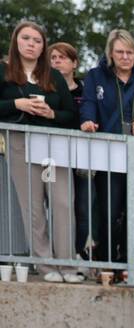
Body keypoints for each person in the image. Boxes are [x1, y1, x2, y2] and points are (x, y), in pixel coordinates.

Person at [78, 29, 134, 272]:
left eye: (130, 52)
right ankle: (107, 263)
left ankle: (127, 263)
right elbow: (88, 104)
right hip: (109, 157)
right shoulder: (96, 76)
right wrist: (87, 121)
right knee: (110, 210)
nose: (125, 57)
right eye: (120, 52)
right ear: (111, 54)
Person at [0, 20, 81, 282]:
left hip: (52, 146)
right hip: (20, 143)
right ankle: (46, 266)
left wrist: (52, 112)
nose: (31, 44)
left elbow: (71, 115)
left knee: (62, 203)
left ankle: (67, 266)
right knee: (32, 207)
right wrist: (17, 103)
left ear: (43, 46)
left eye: (37, 40)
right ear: (16, 41)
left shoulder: (54, 75)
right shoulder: (3, 70)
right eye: (26, 39)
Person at [48, 41, 89, 263]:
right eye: (53, 58)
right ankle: (55, 254)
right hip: (52, 155)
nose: (56, 62)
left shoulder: (86, 91)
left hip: (82, 156)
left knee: (82, 207)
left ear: (74, 63)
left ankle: (75, 251)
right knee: (55, 206)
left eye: (62, 58)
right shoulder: (45, 89)